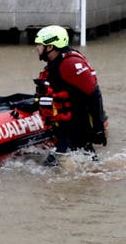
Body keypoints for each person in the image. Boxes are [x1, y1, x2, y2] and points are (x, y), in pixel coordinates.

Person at [33, 25, 108, 167]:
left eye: (40, 44)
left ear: (50, 47)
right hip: (65, 128)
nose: (37, 48)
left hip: (75, 129)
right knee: (59, 168)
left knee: (55, 170)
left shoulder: (70, 64)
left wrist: (98, 129)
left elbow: (94, 95)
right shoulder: (56, 63)